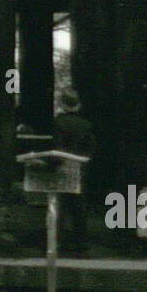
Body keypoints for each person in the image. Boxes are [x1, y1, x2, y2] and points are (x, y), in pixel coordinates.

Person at [53, 89, 96, 254]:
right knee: (79, 209)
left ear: (62, 104)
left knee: (60, 208)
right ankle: (81, 245)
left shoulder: (58, 123)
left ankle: (58, 244)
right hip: (78, 169)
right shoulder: (86, 125)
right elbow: (91, 149)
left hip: (61, 168)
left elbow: (57, 147)